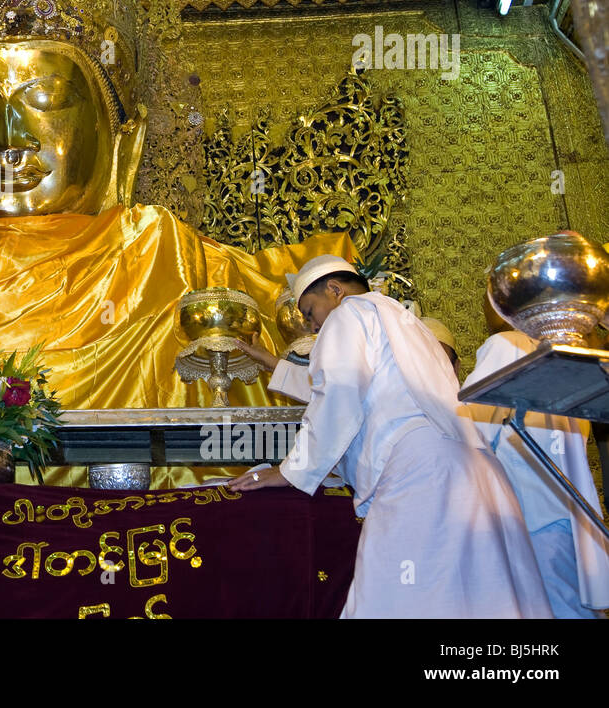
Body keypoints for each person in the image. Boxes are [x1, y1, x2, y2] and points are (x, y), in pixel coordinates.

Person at [229, 255, 551, 618]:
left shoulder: (348, 313)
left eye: (309, 311)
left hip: (419, 474)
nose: (309, 324)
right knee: (478, 595)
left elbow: (339, 391)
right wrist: (271, 362)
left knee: (389, 597)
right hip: (471, 470)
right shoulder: (398, 318)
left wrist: (291, 471)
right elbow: (348, 383)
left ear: (335, 291)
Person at [462, 324, 609, 618]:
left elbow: (471, 423)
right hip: (565, 511)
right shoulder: (570, 362)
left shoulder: (508, 343)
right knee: (570, 604)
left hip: (529, 510)